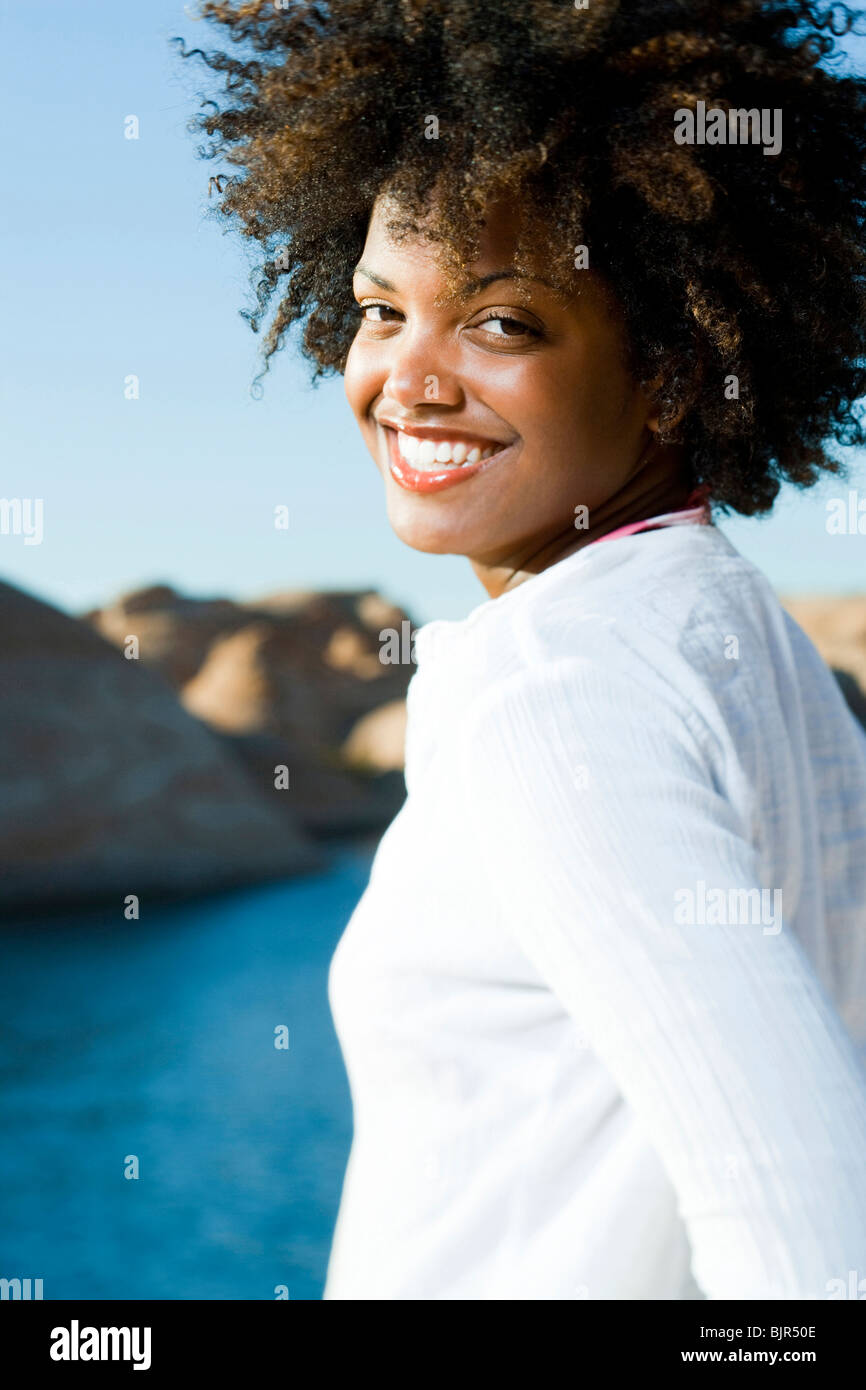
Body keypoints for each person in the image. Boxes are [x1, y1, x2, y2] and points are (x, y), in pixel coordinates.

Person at [185, 0, 866, 1299]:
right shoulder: (732, 632)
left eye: (500, 323)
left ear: (667, 372)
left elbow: (810, 1228)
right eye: (380, 309)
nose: (409, 377)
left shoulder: (558, 686)